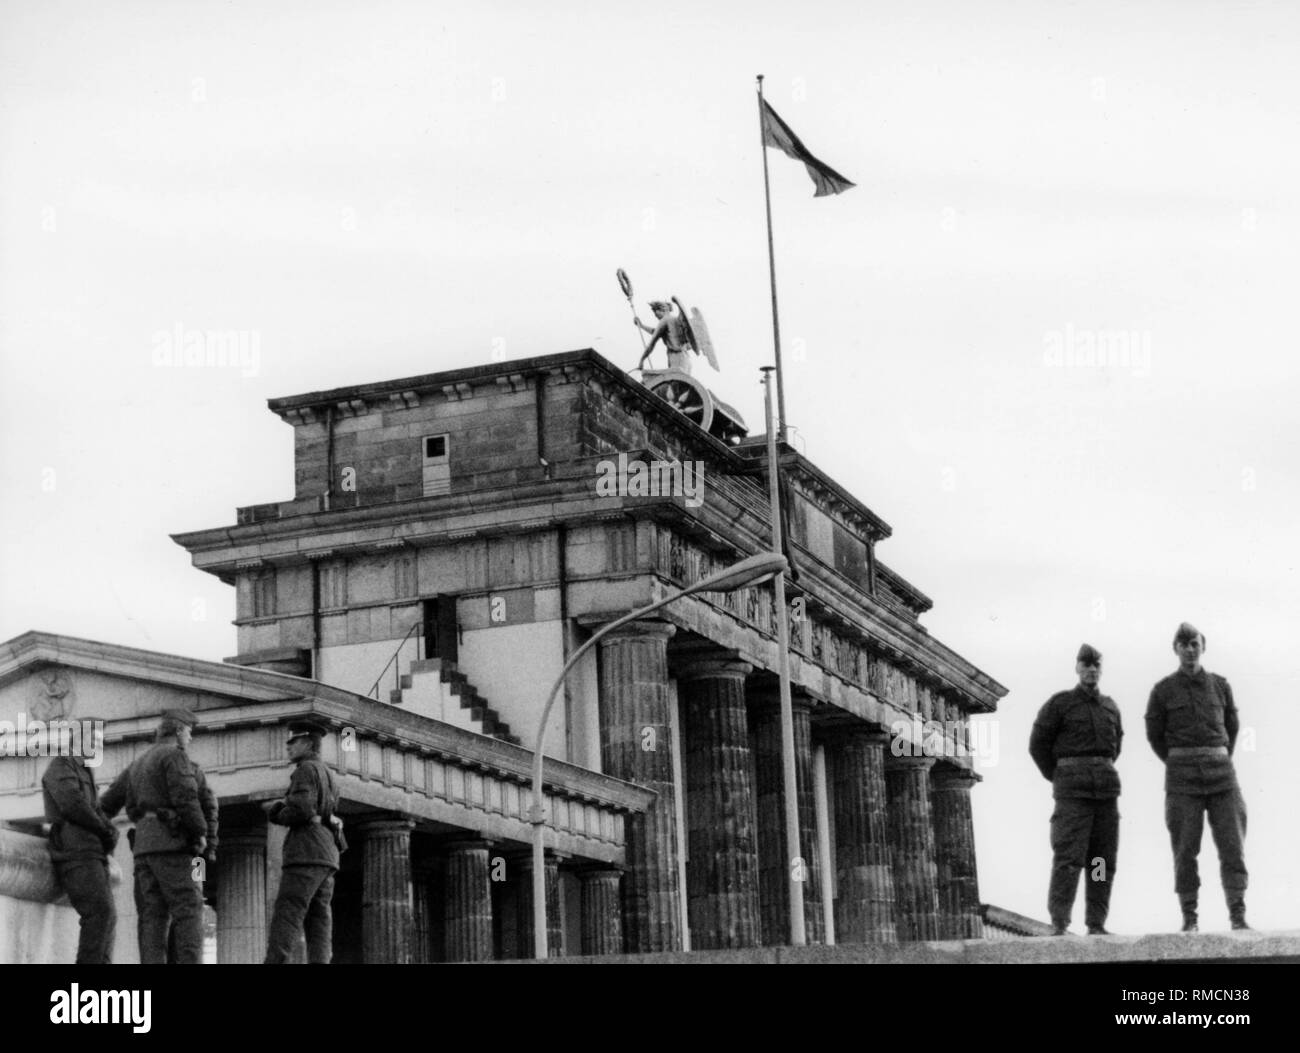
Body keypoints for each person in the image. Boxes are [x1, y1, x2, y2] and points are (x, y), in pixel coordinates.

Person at [1145, 622, 1248, 932]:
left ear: (1203, 647)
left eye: (1194, 643)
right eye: (1183, 644)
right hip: (1182, 778)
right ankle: (1189, 918)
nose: (1189, 649)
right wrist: (1181, 761)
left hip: (1221, 775)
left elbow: (1232, 728)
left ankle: (1238, 915)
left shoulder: (1220, 685)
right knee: (1185, 848)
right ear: (1175, 649)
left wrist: (1214, 755)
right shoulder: (1162, 690)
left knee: (1233, 844)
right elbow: (1155, 736)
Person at [1028, 644, 1123, 936]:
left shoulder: (1110, 707)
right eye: (1086, 664)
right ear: (1077, 667)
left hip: (1105, 794)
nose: (1091, 669)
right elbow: (1038, 745)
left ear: (1101, 669)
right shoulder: (1060, 704)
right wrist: (1060, 776)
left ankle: (1096, 922)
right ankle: (1060, 922)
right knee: (1069, 858)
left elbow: (1115, 748)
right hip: (1072, 795)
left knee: (1100, 860)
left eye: (1096, 664)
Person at [101, 708, 208, 963]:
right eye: (189, 732)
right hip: (174, 846)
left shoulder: (138, 763)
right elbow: (186, 798)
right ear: (179, 731)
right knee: (189, 911)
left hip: (143, 850)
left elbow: (106, 804)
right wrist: (200, 833)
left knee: (152, 919)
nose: (190, 738)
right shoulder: (175, 756)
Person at [263, 717, 343, 964]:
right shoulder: (328, 773)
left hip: (305, 852)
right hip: (326, 851)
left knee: (287, 915)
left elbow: (303, 809)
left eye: (294, 741)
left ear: (308, 743)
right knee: (319, 920)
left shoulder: (305, 770)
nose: (288, 746)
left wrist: (276, 811)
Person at [41, 718, 118, 963]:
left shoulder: (83, 769)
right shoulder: (61, 766)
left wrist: (107, 830)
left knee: (109, 916)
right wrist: (104, 829)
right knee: (99, 912)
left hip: (92, 851)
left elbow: (93, 808)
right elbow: (74, 805)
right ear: (78, 738)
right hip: (76, 851)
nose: (98, 745)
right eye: (93, 739)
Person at [634, 300, 696, 373]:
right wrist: (641, 326)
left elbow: (652, 344)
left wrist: (642, 360)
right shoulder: (676, 321)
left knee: (648, 375)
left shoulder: (665, 320)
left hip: (676, 359)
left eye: (655, 313)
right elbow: (655, 331)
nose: (656, 317)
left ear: (661, 310)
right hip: (686, 360)